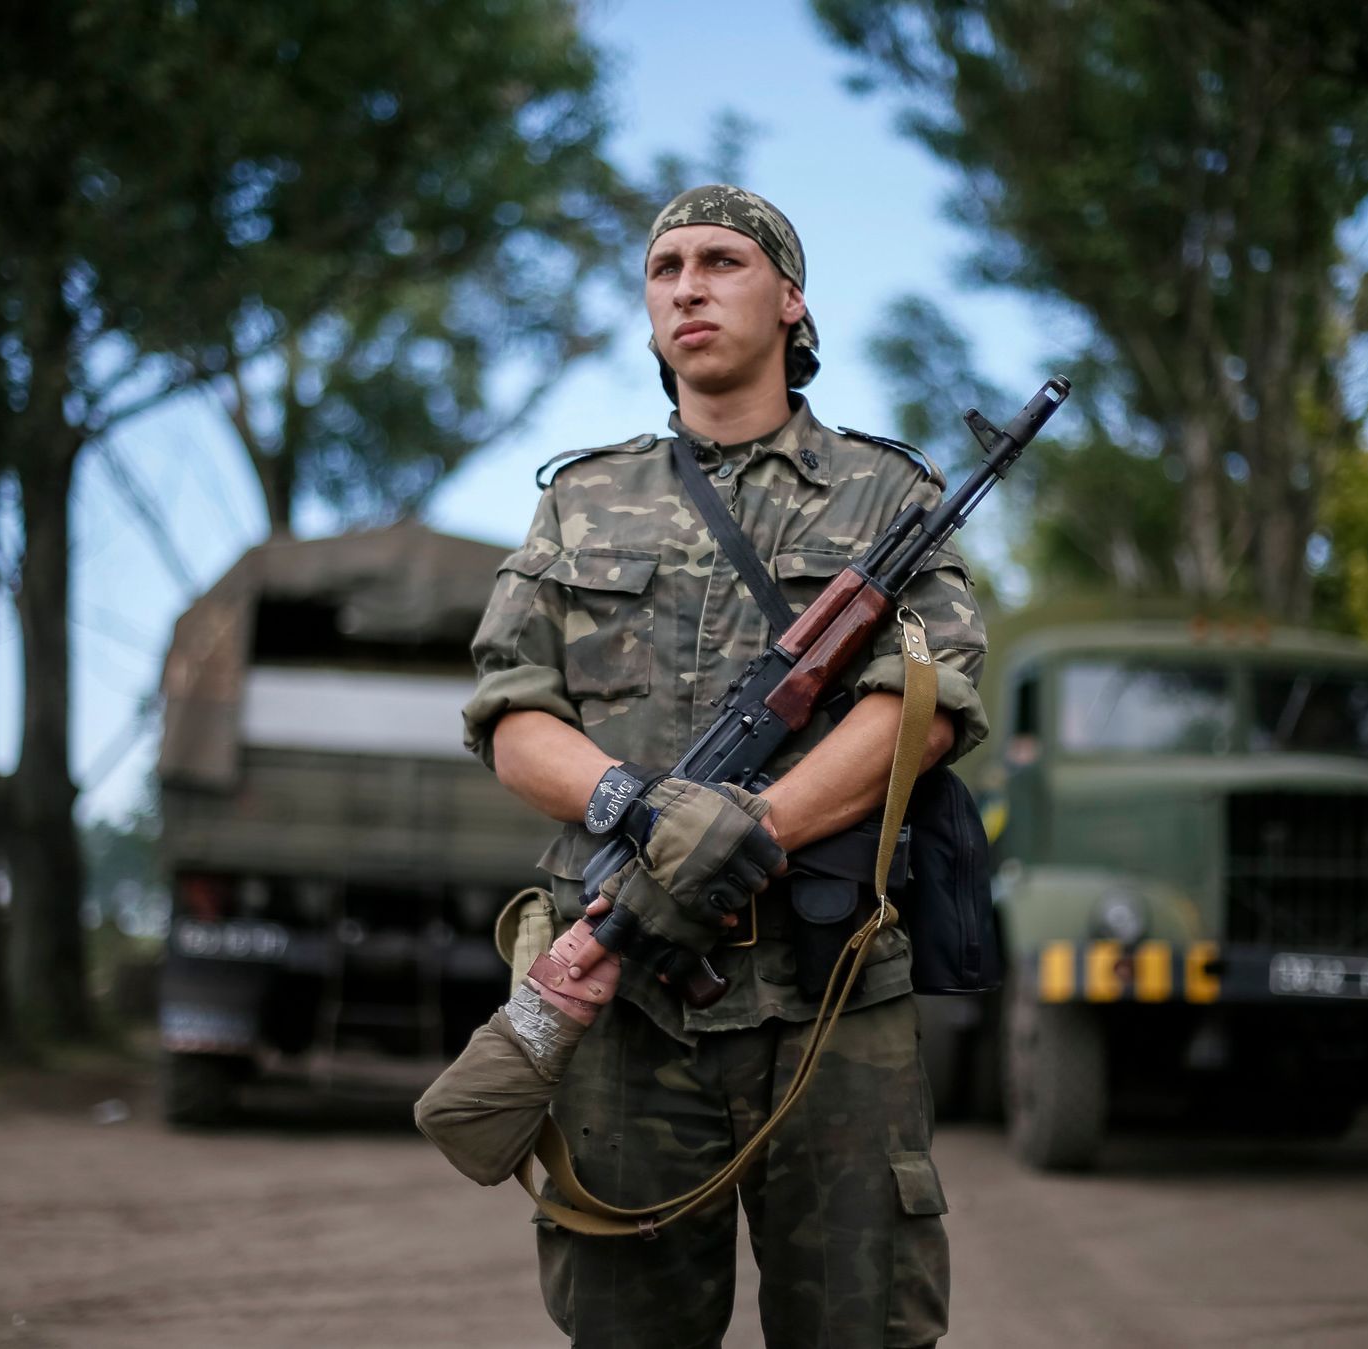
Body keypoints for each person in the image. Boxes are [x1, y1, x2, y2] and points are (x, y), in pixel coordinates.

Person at [417, 184, 990, 1349]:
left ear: (789, 300)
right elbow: (511, 714)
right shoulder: (577, 501)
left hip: (829, 996)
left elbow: (925, 706)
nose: (686, 284)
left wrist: (753, 823)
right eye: (663, 265)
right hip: (629, 1001)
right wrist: (635, 804)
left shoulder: (890, 497)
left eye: (722, 260)